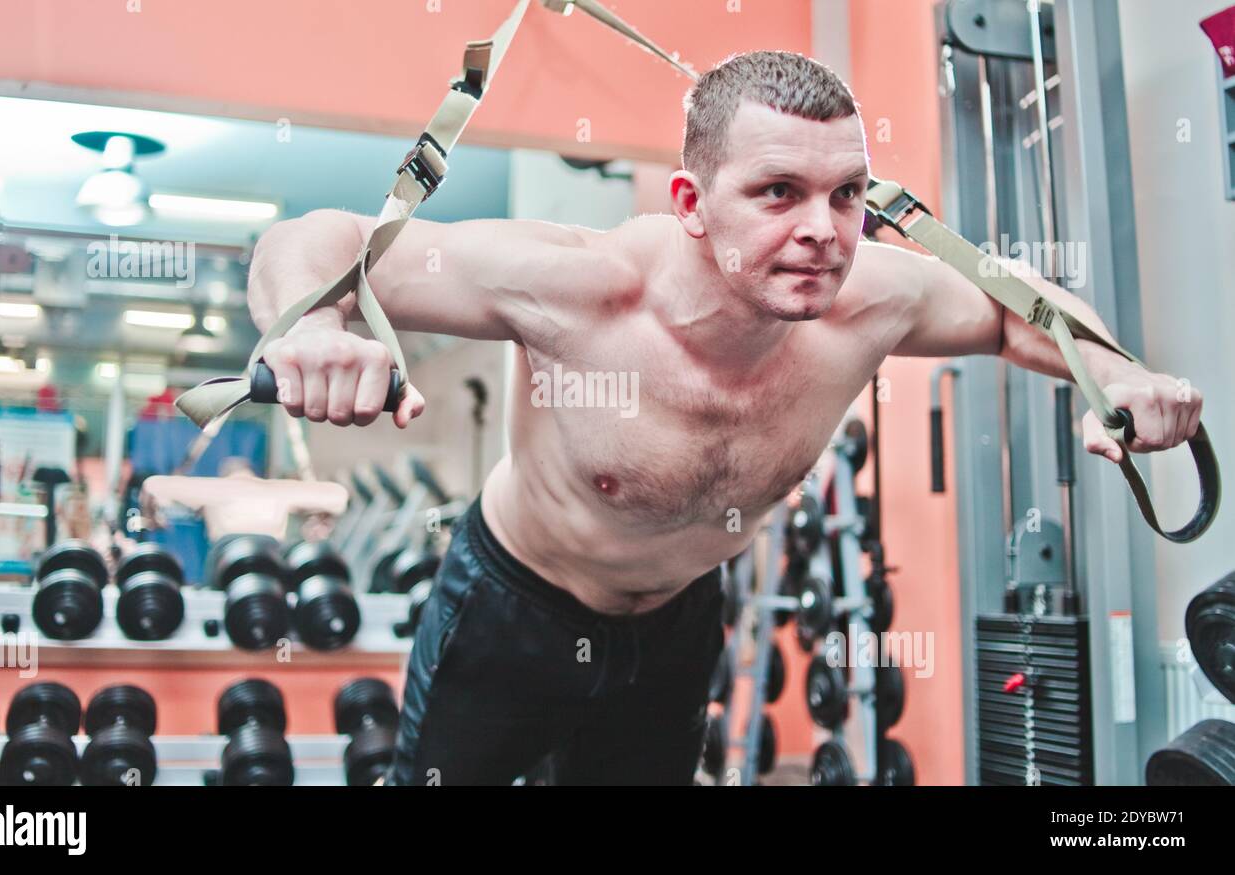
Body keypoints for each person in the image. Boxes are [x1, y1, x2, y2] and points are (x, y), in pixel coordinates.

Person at [246, 52, 1202, 784]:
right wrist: (309, 329)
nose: (822, 231)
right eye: (778, 192)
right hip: (512, 611)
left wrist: (1112, 371)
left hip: (678, 623)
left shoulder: (870, 300)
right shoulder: (576, 287)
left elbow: (1008, 305)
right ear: (691, 204)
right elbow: (314, 238)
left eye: (846, 195)